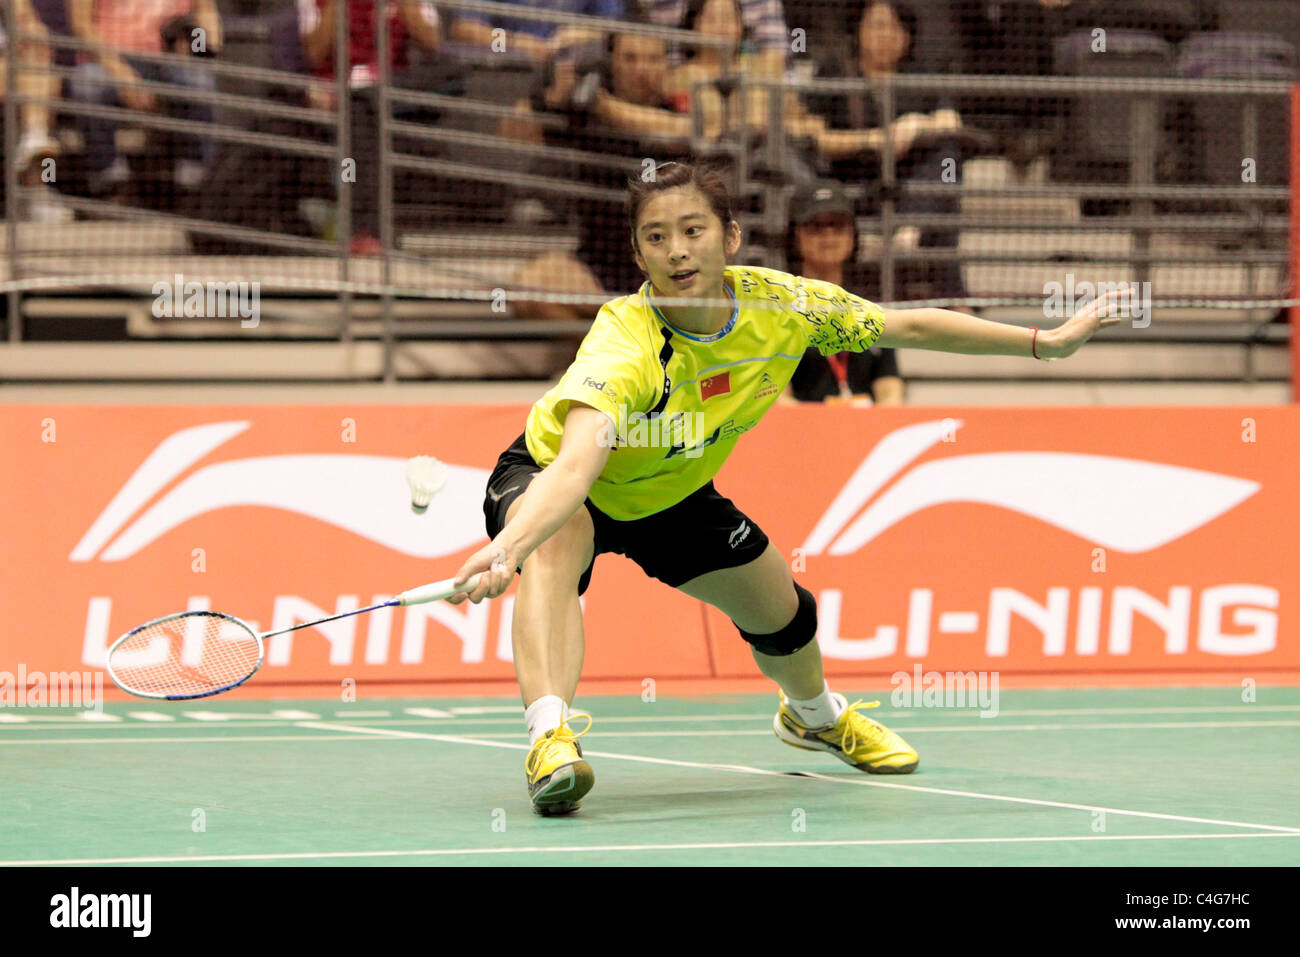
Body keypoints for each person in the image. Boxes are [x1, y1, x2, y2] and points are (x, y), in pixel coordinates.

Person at [447, 160, 1128, 816]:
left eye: (694, 230)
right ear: (638, 253)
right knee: (555, 545)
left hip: (670, 492)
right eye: (657, 237)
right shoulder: (624, 343)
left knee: (785, 612)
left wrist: (1047, 342)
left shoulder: (785, 307)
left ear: (731, 237)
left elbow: (908, 324)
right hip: (555, 480)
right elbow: (573, 470)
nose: (678, 251)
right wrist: (510, 544)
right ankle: (550, 742)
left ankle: (814, 716)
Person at [65, 0, 222, 197]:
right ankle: (110, 181)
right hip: (110, 60)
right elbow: (81, 25)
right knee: (87, 84)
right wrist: (122, 75)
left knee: (199, 81)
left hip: (170, 60)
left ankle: (193, 183)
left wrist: (197, 49)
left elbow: (206, 14)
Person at [781, 181, 903, 405]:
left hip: (867, 431)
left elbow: (890, 386)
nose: (828, 235)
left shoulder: (871, 308)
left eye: (837, 225)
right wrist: (825, 420)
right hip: (799, 433)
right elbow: (775, 396)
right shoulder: (777, 309)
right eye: (815, 226)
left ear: (852, 236)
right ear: (795, 237)